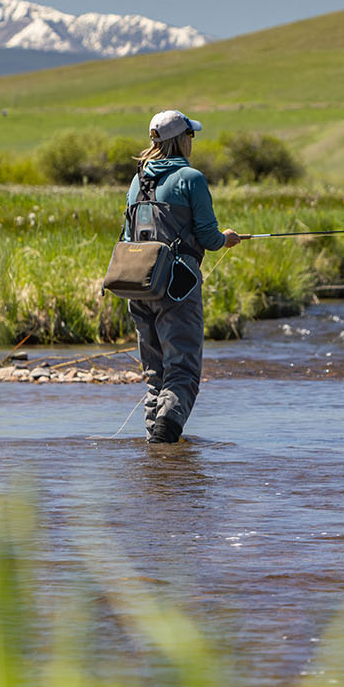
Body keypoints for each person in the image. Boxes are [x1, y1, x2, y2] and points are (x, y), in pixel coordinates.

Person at [122, 109, 241, 443]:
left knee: (155, 375)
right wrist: (226, 239)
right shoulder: (192, 179)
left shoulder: (137, 180)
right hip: (177, 287)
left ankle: (156, 455)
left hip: (138, 286)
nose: (193, 142)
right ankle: (165, 442)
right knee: (184, 372)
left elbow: (127, 233)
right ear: (181, 139)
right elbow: (209, 237)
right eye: (191, 135)